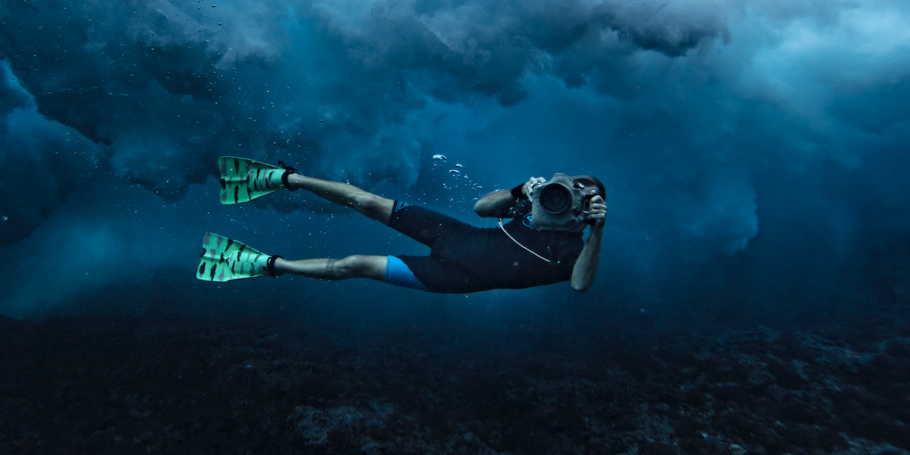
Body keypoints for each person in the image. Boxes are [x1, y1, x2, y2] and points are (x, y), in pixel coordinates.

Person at [198, 158, 607, 293]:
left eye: (584, 197)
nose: (571, 198)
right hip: (457, 236)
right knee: (366, 200)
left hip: (452, 277)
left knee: (352, 264)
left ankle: (264, 263)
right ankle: (286, 178)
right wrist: (521, 190)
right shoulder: (532, 207)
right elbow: (481, 207)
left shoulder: (576, 251)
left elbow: (581, 285)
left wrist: (596, 231)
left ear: (593, 208)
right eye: (570, 187)